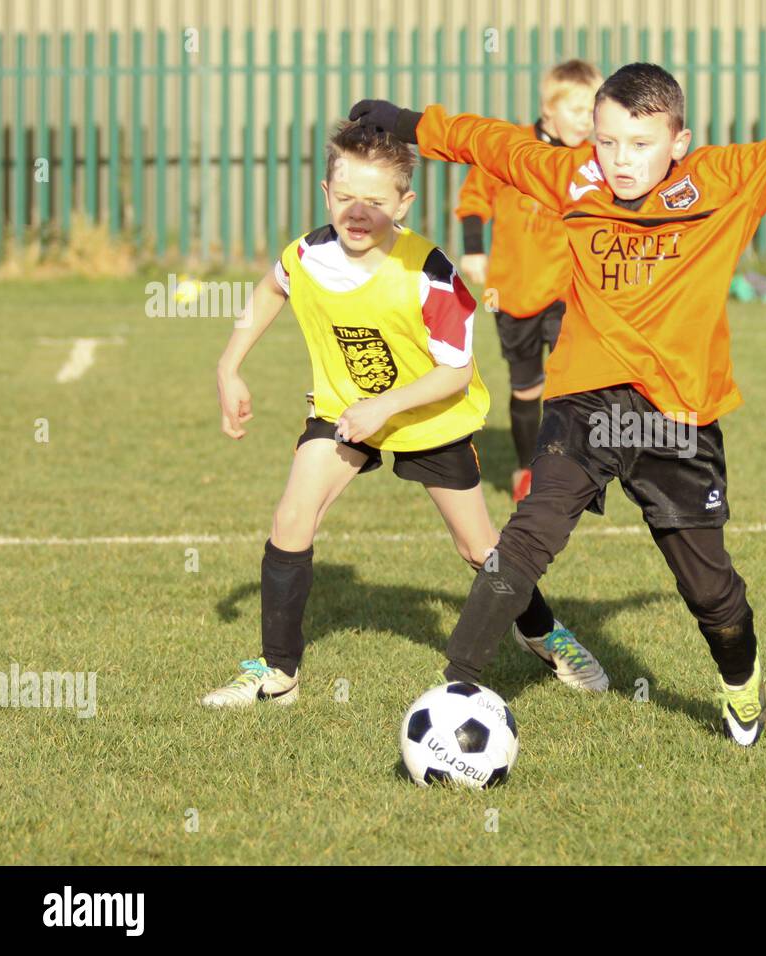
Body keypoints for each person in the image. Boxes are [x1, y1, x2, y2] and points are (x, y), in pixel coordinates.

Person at [349, 64, 766, 745]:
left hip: (677, 414)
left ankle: (741, 680)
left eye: (639, 144)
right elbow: (485, 142)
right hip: (586, 395)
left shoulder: (725, 180)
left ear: (680, 141)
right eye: (607, 141)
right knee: (530, 531)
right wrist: (405, 121)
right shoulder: (573, 176)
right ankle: (456, 687)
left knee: (709, 591)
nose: (619, 160)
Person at [202, 121, 607, 709]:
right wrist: (229, 365)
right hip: (345, 410)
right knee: (292, 518)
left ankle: (546, 633)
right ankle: (277, 672)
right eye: (344, 198)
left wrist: (385, 408)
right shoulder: (308, 254)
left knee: (478, 549)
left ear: (404, 202)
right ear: (325, 193)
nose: (357, 212)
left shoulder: (431, 274)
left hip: (428, 416)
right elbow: (271, 288)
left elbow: (456, 372)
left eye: (375, 201)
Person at [456, 60, 603, 503]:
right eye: (579, 110)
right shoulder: (511, 146)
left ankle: (573, 469)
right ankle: (525, 470)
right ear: (549, 108)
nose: (588, 121)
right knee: (526, 387)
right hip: (514, 292)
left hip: (567, 294)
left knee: (572, 384)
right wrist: (474, 248)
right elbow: (473, 198)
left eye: (593, 111)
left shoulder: (594, 160)